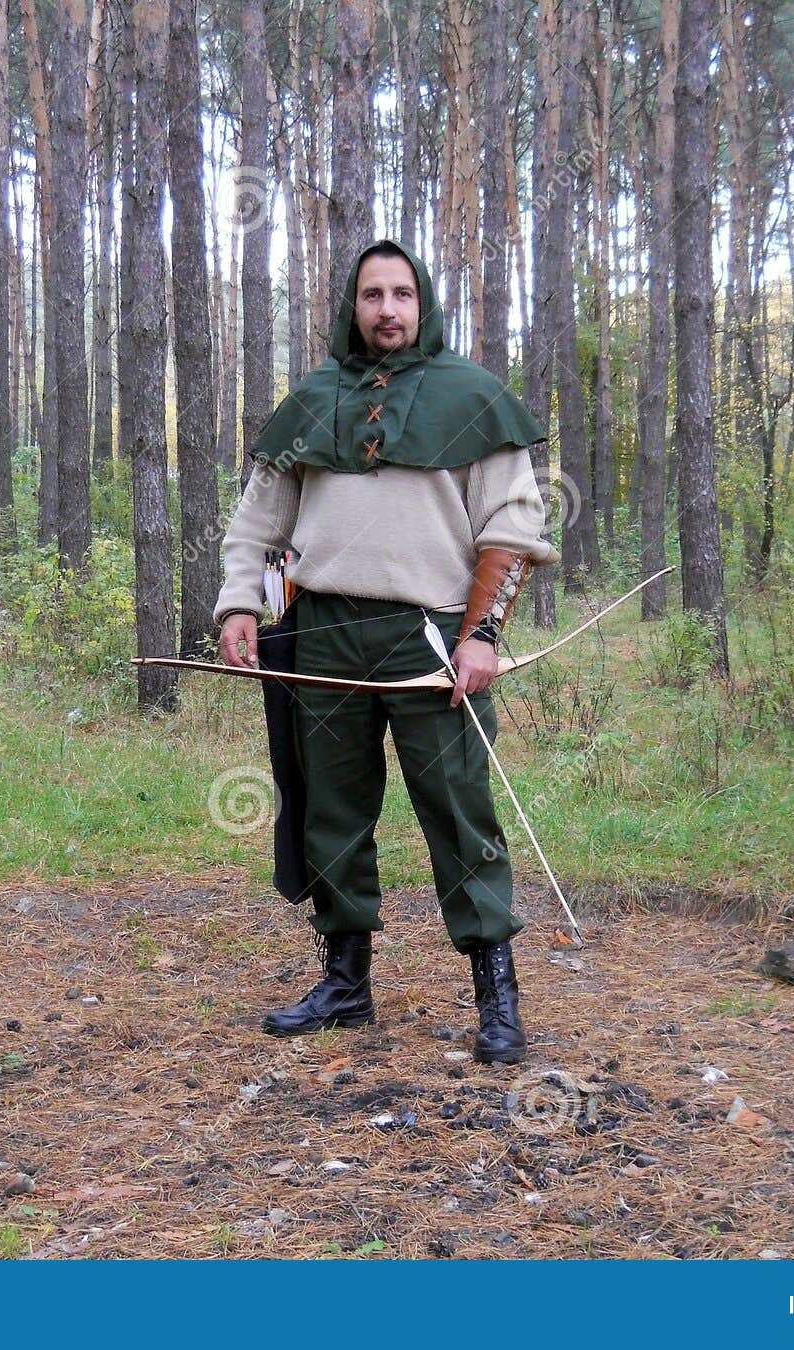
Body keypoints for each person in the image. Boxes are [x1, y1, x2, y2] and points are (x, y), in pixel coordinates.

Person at [211, 238, 558, 1065]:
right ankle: (345, 980)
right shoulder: (313, 400)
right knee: (332, 806)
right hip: (324, 629)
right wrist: (236, 605)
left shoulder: (474, 400)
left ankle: (496, 994)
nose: (388, 309)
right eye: (372, 295)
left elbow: (510, 532)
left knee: (458, 808)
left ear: (423, 302)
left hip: (431, 634)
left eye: (402, 293)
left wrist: (482, 638)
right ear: (353, 306)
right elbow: (259, 520)